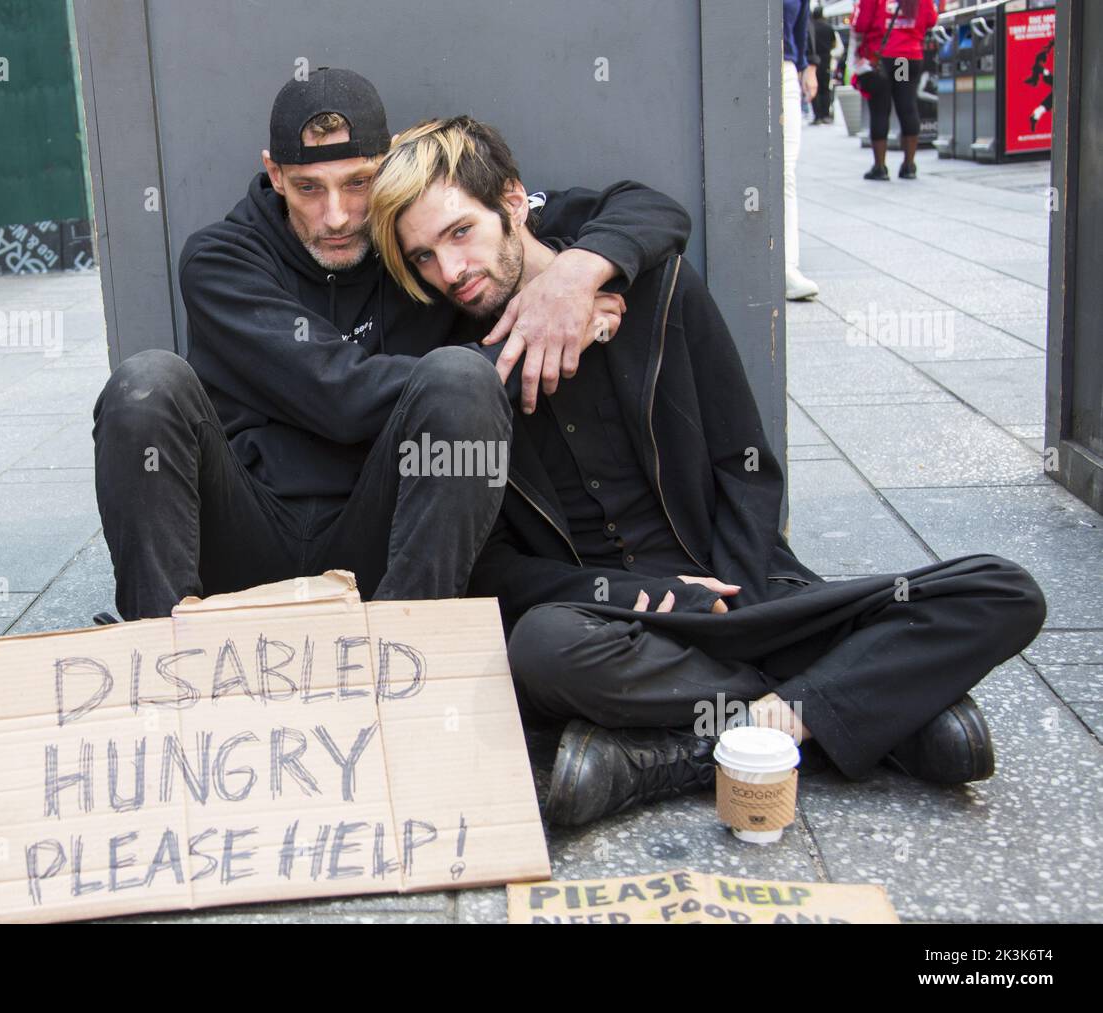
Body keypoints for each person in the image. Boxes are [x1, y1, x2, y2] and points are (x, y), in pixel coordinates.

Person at [367, 115, 1048, 828]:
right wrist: (641, 595)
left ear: (512, 201)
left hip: (744, 596)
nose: (449, 272)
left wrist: (743, 601)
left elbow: (745, 466)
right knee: (541, 649)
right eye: (422, 259)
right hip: (613, 623)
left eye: (459, 234)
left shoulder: (655, 291)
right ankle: (856, 710)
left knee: (1004, 591)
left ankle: (681, 753)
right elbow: (495, 568)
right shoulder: (461, 376)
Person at [91, 68, 691, 621]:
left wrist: (575, 275)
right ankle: (157, 661)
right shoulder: (221, 259)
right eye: (307, 188)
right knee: (144, 385)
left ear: (387, 163)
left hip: (385, 539)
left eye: (359, 183)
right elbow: (340, 396)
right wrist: (531, 348)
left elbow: (646, 207)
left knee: (457, 380)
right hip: (245, 529)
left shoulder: (416, 236)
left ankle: (411, 657)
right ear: (274, 174)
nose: (337, 217)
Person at [853, 0, 938, 180]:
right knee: (907, 106)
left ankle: (880, 167)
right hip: (906, 58)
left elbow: (862, 24)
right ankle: (909, 165)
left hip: (882, 57)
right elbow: (931, 19)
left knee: (880, 111)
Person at [782, 0, 819, 300]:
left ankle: (786, 268)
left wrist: (807, 65)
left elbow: (801, 18)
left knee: (785, 170)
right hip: (739, 62)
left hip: (786, 66)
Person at [811, 6, 839, 124]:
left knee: (814, 87)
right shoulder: (828, 27)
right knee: (825, 88)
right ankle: (825, 115)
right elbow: (834, 43)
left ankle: (817, 116)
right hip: (826, 59)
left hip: (813, 59)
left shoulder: (810, 27)